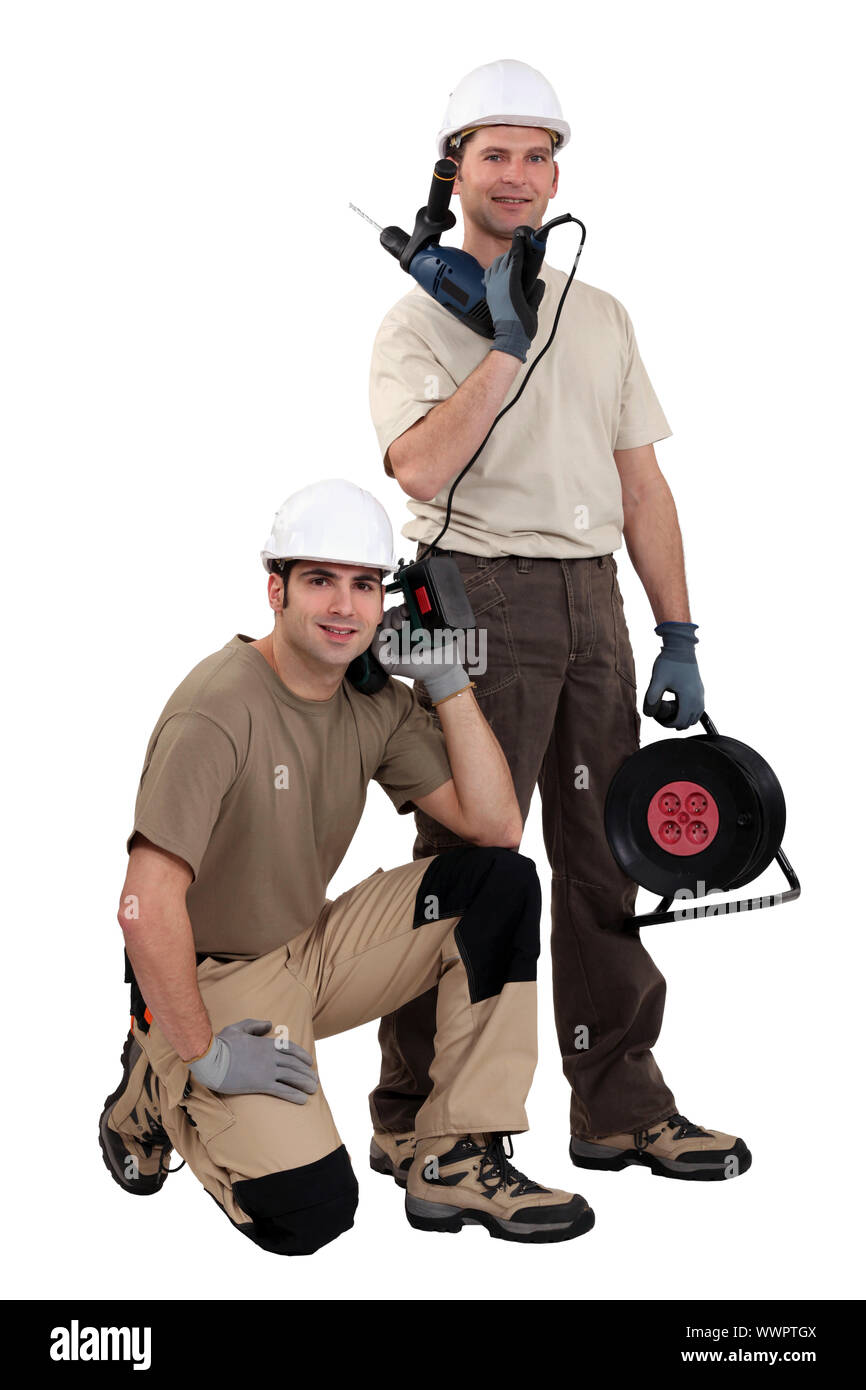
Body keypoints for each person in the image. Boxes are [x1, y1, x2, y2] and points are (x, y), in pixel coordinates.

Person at [367, 59, 751, 1184]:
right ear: (453, 169)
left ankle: (618, 1102)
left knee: (606, 858)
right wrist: (497, 344)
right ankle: (420, 1117)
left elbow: (641, 488)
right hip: (469, 593)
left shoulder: (602, 315)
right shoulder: (409, 324)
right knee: (470, 858)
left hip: (592, 599)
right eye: (496, 154)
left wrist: (675, 632)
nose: (521, 176)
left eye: (539, 157)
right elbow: (415, 466)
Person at [98, 478, 594, 1253]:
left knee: (499, 883)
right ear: (276, 590)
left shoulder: (375, 704)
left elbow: (496, 825)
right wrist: (209, 1054)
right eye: (320, 581)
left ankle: (455, 1151)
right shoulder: (217, 709)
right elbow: (142, 907)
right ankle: (158, 1080)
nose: (344, 607)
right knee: (309, 1213)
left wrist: (445, 679)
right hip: (213, 981)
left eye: (365, 585)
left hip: (312, 949)